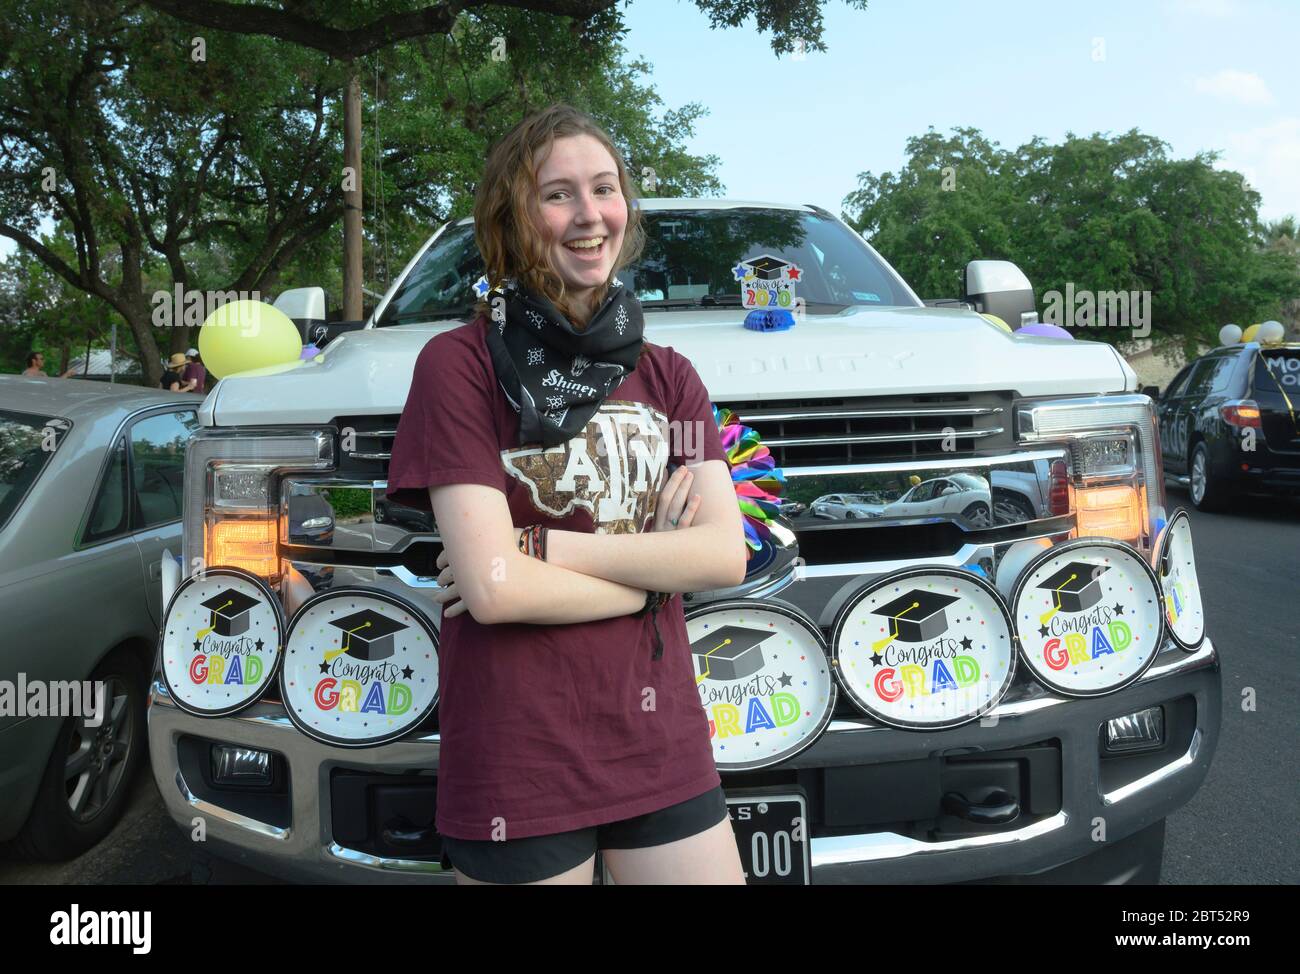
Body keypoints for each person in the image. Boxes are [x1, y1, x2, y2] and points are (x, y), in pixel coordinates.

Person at [384, 104, 748, 886]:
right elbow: (493, 591)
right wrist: (653, 580)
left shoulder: (669, 374)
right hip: (520, 748)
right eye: (558, 195)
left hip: (661, 740)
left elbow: (722, 555)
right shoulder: (459, 368)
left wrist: (543, 546)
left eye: (605, 189)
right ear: (511, 220)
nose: (590, 216)